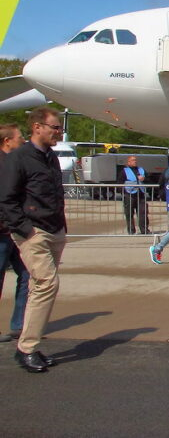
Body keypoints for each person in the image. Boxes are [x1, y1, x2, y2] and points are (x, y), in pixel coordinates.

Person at [0, 107, 68, 373]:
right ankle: (26, 348)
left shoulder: (50, 157)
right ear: (37, 127)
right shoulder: (18, 158)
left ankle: (30, 345)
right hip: (34, 232)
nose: (58, 133)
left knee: (41, 288)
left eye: (59, 128)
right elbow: (7, 199)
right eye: (55, 128)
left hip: (55, 230)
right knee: (46, 284)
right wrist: (25, 229)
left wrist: (61, 226)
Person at [0, 124, 29, 343]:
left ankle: (19, 325)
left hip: (13, 231)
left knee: (27, 275)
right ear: (7, 141)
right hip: (3, 231)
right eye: (20, 137)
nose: (23, 140)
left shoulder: (13, 162)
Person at [121, 155, 149, 234]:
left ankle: (144, 230)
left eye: (135, 160)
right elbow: (120, 182)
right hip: (129, 194)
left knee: (143, 213)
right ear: (128, 162)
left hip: (141, 194)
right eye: (133, 160)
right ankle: (131, 231)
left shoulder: (141, 170)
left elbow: (149, 179)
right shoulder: (124, 171)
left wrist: (144, 179)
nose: (135, 161)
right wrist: (123, 193)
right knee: (129, 213)